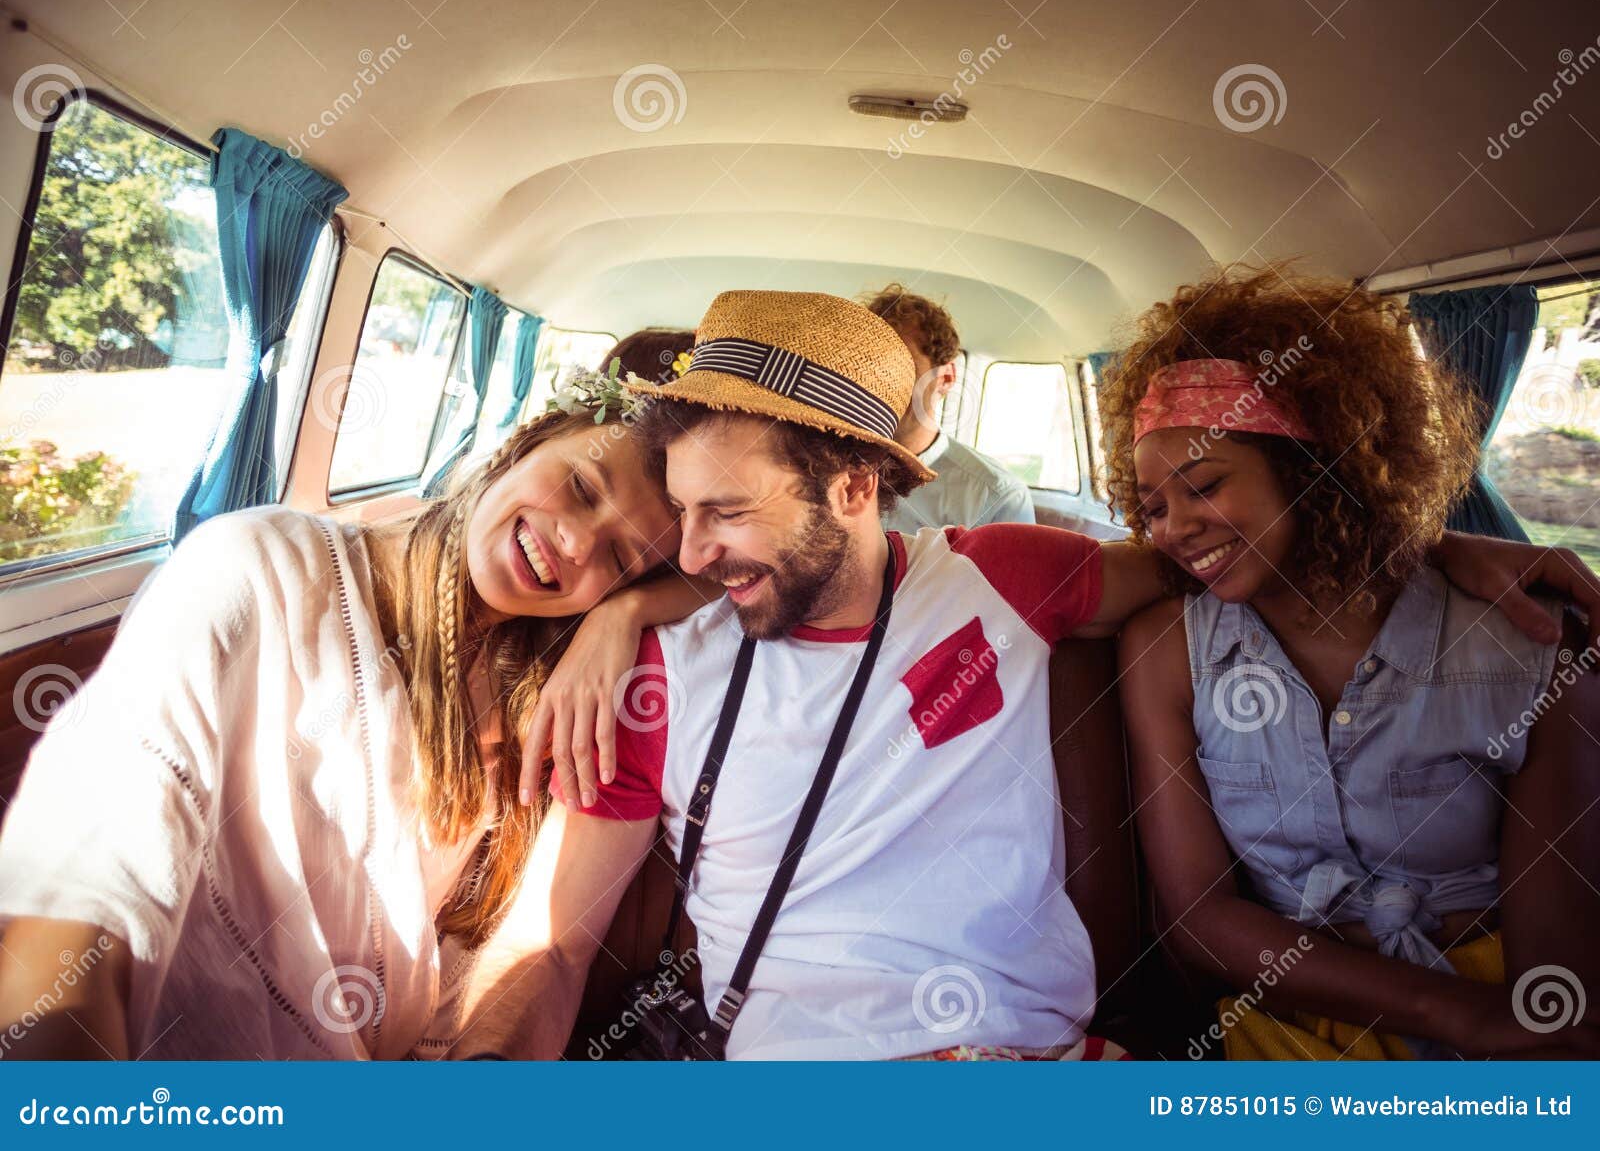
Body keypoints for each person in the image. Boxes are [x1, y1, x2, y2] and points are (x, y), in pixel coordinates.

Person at [443, 289, 1600, 1062]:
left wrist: (1440, 547)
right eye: (682, 520)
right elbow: (552, 937)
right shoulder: (655, 664)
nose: (689, 555)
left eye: (727, 514)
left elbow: (1246, 539)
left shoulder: (1002, 574)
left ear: (853, 489)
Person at [0, 373, 707, 1059]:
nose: (578, 543)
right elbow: (99, 856)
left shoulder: (540, 692)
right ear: (524, 442)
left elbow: (732, 582)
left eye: (618, 558)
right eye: (581, 487)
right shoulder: (258, 570)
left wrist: (628, 609)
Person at [1108, 265, 1600, 1059]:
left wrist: (1495, 1028)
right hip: (1287, 1019)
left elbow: (1560, 962)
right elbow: (1199, 917)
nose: (1173, 529)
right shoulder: (1168, 651)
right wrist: (1453, 1015)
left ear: (1316, 465)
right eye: (1153, 506)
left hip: (1503, 1004)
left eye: (1203, 486)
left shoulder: (1528, 642)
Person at [862, 284, 1035, 532]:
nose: (883, 383)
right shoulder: (826, 471)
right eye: (871, 365)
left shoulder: (996, 498)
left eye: (904, 365)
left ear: (946, 377)